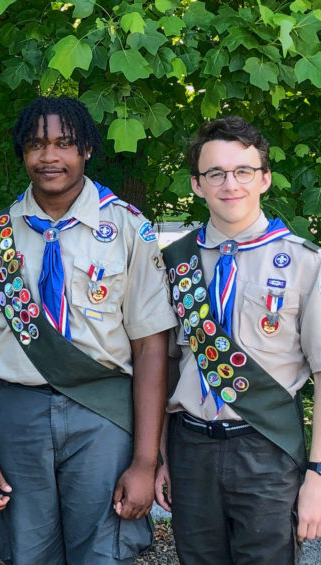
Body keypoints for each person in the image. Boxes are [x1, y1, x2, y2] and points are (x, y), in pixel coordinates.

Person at [0, 96, 177, 565]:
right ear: (23, 152)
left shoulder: (127, 229)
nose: (49, 157)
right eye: (37, 145)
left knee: (101, 553)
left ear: (87, 151)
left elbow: (151, 349)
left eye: (64, 143)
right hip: (17, 414)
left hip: (102, 414)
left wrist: (145, 461)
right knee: (27, 553)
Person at [154, 116, 321, 564]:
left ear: (264, 179)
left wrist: (318, 476)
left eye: (243, 171)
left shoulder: (304, 263)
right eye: (215, 173)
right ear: (197, 184)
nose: (231, 184)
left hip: (267, 448)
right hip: (191, 448)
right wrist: (163, 456)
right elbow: (167, 366)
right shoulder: (175, 263)